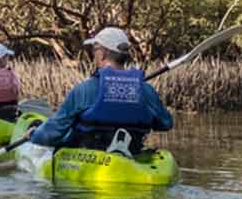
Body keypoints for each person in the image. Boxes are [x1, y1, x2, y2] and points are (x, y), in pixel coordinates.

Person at [29, 27, 173, 155]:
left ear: (102, 54)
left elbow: (51, 133)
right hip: (132, 154)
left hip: (90, 158)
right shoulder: (146, 90)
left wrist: (34, 134)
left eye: (94, 49)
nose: (93, 54)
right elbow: (165, 123)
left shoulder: (83, 90)